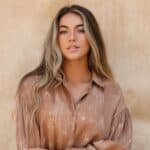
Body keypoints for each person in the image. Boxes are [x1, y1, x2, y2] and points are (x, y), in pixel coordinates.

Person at [16, 4, 133, 150]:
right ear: (56, 39)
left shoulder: (111, 93)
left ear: (92, 37)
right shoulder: (32, 88)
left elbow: (121, 147)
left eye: (81, 30)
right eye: (63, 31)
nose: (72, 38)